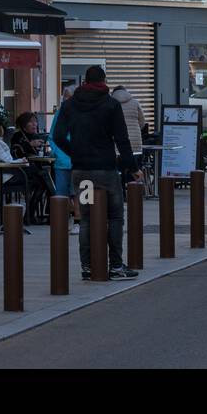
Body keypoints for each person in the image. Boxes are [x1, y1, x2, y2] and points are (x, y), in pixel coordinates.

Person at [52, 65, 141, 280]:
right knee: (115, 216)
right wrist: (132, 167)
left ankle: (87, 266)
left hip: (82, 171)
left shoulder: (69, 105)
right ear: (103, 80)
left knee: (86, 218)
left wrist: (75, 153)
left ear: (85, 81)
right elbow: (122, 139)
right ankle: (116, 266)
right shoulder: (111, 105)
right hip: (106, 171)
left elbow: (58, 136)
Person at [48, 86, 80, 234]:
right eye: (64, 97)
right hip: (62, 162)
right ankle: (68, 218)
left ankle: (80, 221)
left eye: (69, 96)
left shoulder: (83, 112)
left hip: (81, 161)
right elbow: (52, 136)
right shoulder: (60, 113)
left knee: (82, 192)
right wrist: (59, 154)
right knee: (62, 193)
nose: (66, 99)